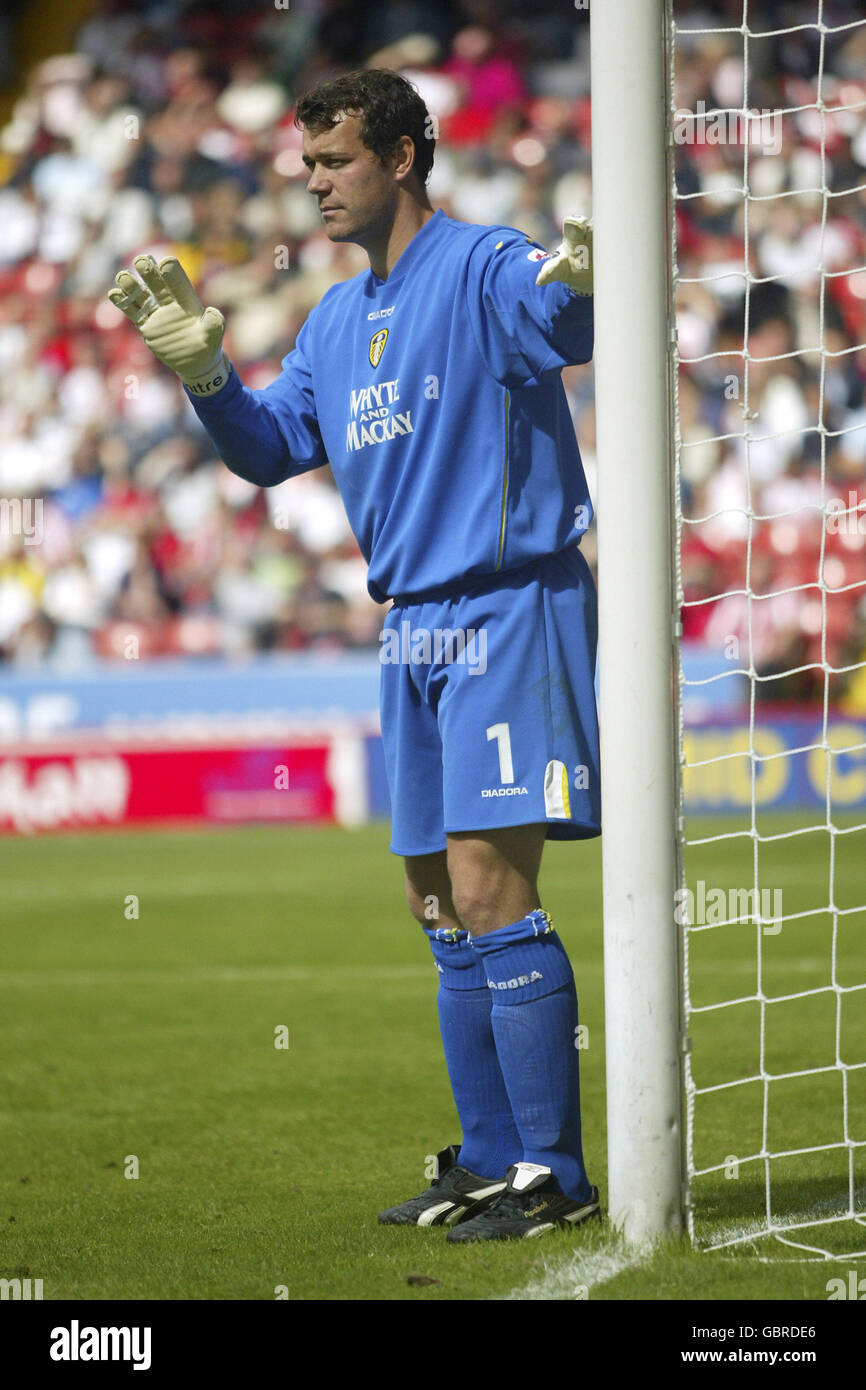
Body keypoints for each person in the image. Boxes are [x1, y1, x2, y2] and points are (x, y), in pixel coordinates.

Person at [108, 68, 601, 1242]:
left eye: (332, 161)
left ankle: (553, 1171)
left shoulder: (481, 264)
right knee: (436, 899)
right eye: (307, 161)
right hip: (408, 627)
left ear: (400, 158)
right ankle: (486, 1158)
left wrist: (581, 284)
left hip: (503, 605)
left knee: (490, 887)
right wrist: (205, 374)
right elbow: (273, 451)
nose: (311, 182)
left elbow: (559, 320)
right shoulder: (334, 319)